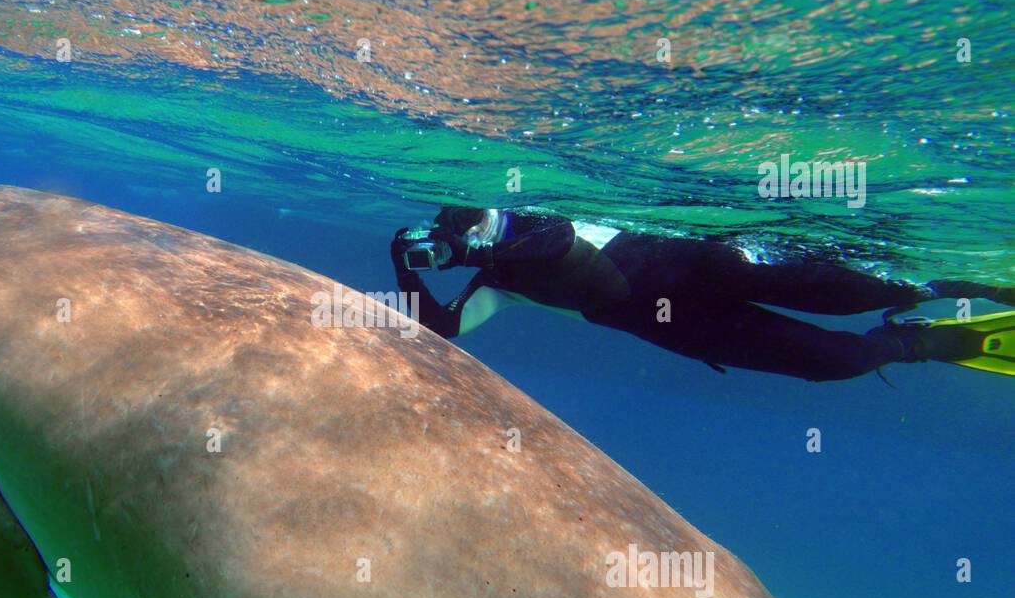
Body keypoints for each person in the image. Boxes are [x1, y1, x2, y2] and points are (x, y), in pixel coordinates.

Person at [390, 206, 1015, 381]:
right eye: (456, 238)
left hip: (710, 268)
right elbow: (439, 330)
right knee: (838, 362)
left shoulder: (538, 215)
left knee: (856, 291)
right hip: (683, 327)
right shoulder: (496, 283)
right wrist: (403, 266)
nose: (472, 235)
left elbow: (557, 242)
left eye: (473, 221)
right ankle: (912, 345)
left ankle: (963, 283)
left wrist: (484, 245)